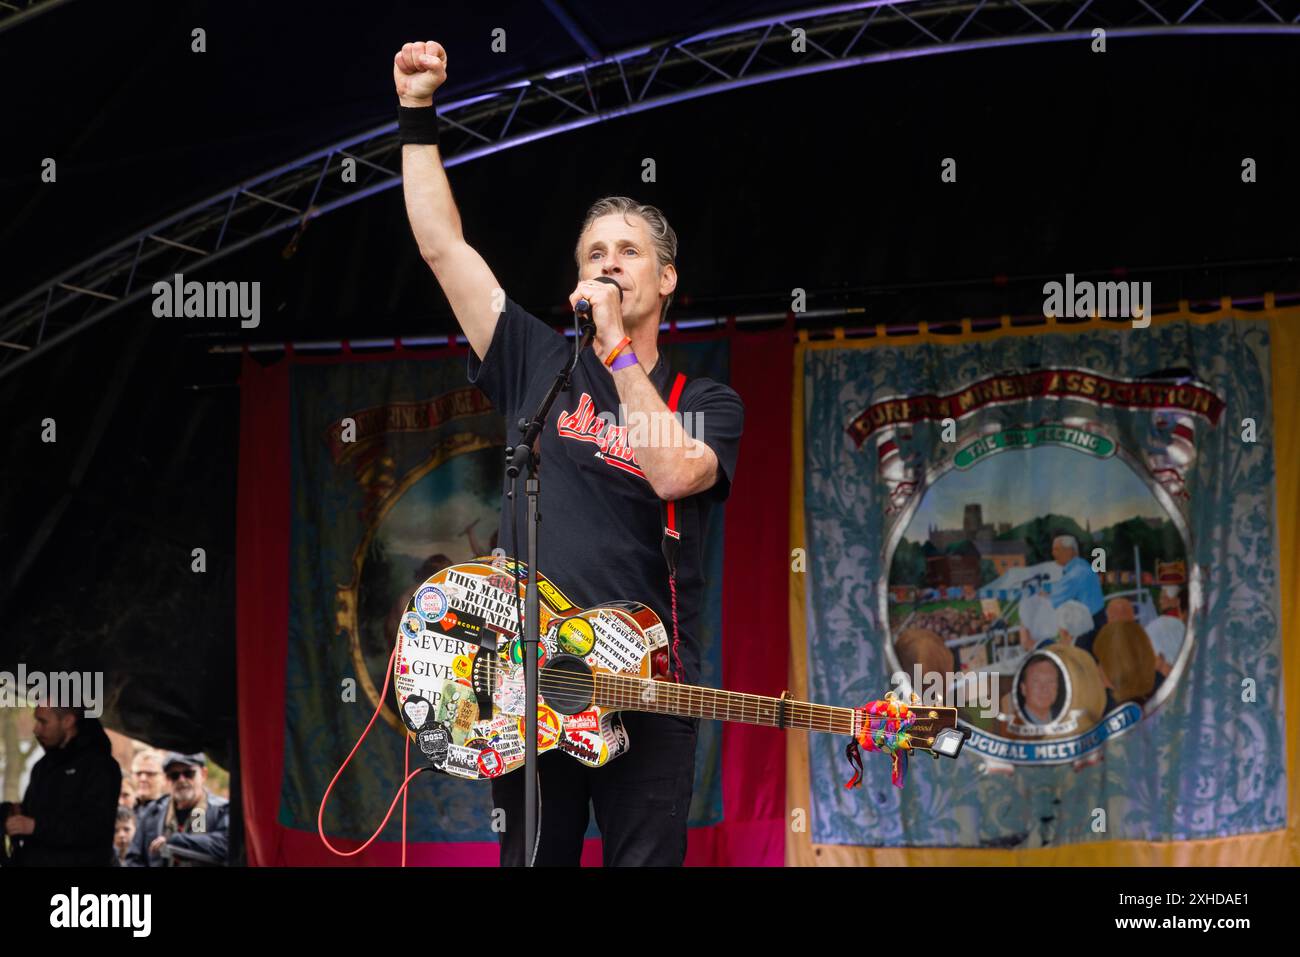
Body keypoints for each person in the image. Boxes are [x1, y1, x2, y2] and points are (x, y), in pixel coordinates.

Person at [395, 40, 745, 867]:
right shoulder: (538, 364)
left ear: (666, 281)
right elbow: (444, 248)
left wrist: (620, 353)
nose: (609, 263)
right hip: (530, 686)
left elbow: (670, 472)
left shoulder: (707, 399)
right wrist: (416, 111)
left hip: (650, 688)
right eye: (594, 253)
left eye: (628, 252)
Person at [1, 705, 120, 866]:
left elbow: (95, 828)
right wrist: (13, 813)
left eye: (43, 722)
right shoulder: (43, 766)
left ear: (68, 721)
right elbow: (40, 811)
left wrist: (36, 827)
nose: (36, 729)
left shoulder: (100, 767)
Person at [126, 753, 229, 866]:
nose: (181, 780)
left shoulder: (220, 810)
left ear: (203, 774)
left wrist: (175, 841)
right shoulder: (153, 812)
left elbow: (225, 844)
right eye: (174, 775)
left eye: (188, 774)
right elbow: (134, 858)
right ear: (167, 779)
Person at [1046, 535, 1105, 654]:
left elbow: (1051, 602)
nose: (1053, 553)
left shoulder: (1075, 573)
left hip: (1087, 632)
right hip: (1098, 625)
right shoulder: (1084, 567)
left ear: (1070, 551)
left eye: (1057, 549)